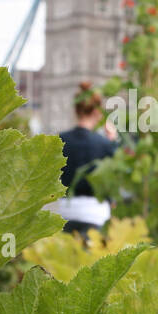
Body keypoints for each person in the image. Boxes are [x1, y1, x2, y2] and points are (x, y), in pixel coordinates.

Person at [46, 81, 119, 236]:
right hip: (96, 213)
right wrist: (112, 140)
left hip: (64, 211)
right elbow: (115, 177)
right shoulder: (104, 144)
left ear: (76, 110)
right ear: (97, 112)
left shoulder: (59, 140)